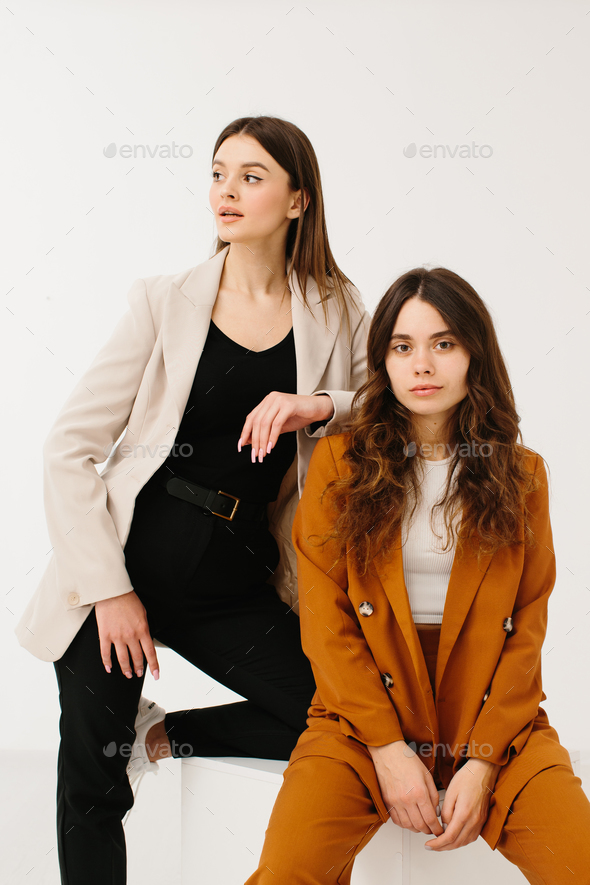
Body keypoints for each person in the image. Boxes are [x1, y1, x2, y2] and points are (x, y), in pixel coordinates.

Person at [14, 115, 371, 885]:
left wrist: (318, 405)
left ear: (298, 199)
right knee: (92, 787)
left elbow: (398, 408)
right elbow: (68, 446)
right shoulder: (163, 301)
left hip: (237, 579)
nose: (226, 191)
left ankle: (163, 737)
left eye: (251, 176)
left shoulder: (338, 308)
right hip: (129, 564)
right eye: (218, 173)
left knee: (337, 719)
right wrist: (109, 590)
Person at [245, 267, 590, 885]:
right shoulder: (337, 466)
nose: (422, 364)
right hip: (359, 716)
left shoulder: (521, 475)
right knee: (286, 873)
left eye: (444, 344)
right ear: (383, 362)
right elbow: (328, 622)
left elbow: (527, 628)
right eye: (403, 347)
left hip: (492, 715)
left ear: (473, 356)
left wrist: (482, 760)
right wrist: (385, 746)